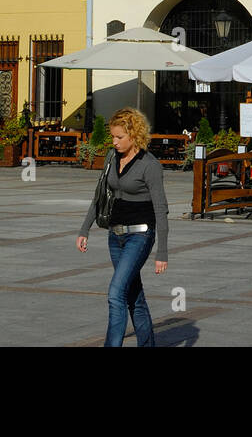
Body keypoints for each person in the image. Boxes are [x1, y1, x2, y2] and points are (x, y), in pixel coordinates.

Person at [75, 108, 168, 346]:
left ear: (134, 136)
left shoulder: (150, 165)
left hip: (140, 235)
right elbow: (100, 197)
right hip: (115, 237)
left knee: (116, 293)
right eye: (113, 137)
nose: (114, 142)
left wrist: (162, 253)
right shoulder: (111, 157)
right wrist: (84, 229)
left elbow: (161, 210)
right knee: (132, 296)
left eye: (119, 137)